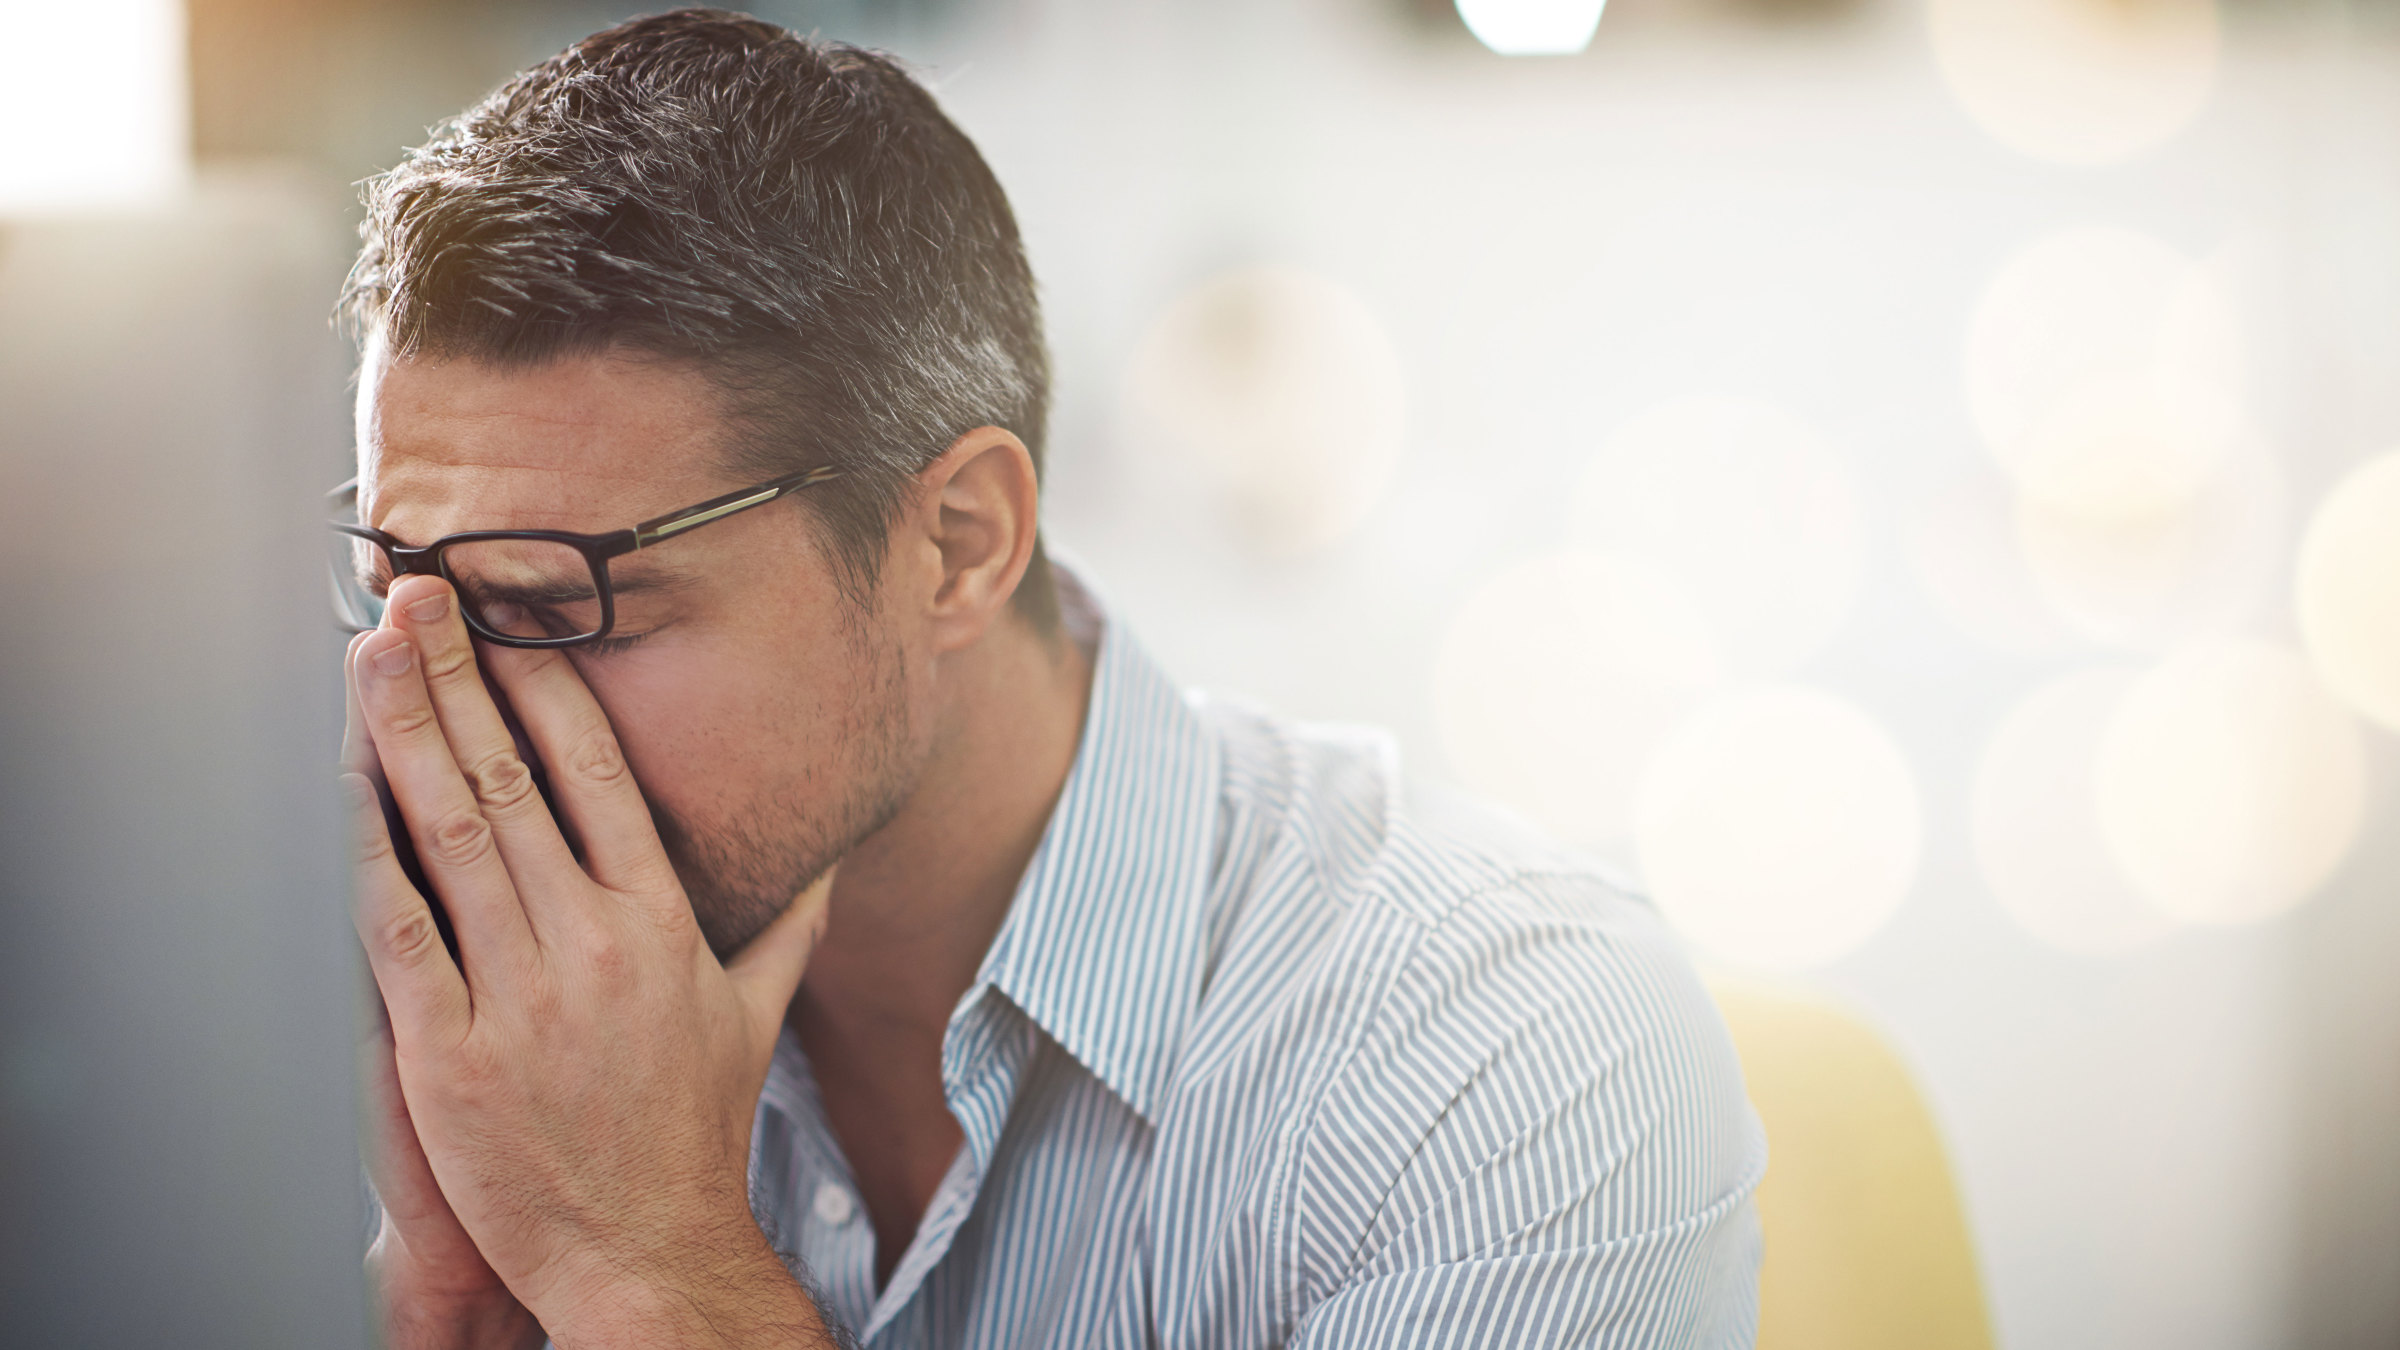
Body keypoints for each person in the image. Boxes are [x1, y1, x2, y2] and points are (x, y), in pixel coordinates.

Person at [334, 10, 1764, 1348]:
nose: (462, 730)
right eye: (403, 594)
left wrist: (650, 1266)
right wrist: (468, 1310)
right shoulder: (497, 1053)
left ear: (958, 544)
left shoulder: (1509, 1053)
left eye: (561, 606)